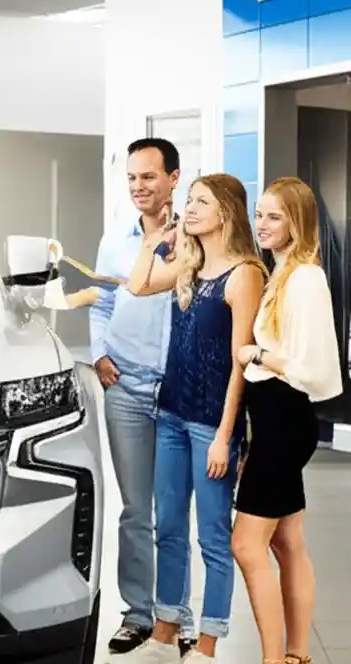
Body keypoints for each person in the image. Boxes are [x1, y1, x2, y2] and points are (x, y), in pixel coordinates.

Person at [118, 173, 266, 664]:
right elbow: (138, 285)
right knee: (170, 529)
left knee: (213, 537)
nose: (191, 209)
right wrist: (153, 242)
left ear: (225, 212)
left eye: (201, 202)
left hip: (209, 423)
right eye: (190, 202)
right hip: (171, 415)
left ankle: (206, 646)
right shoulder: (190, 262)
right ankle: (164, 635)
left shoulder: (245, 273)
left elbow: (240, 365)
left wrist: (226, 436)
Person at [231, 177, 341, 664]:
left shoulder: (305, 278)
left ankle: (273, 659)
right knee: (287, 542)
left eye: (274, 216)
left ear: (298, 222)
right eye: (259, 215)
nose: (263, 225)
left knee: (246, 543)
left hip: (285, 422)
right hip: (275, 421)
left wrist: (255, 353)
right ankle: (297, 655)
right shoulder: (281, 274)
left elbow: (308, 365)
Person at [88, 138, 190, 655]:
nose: (138, 187)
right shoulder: (115, 241)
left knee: (173, 509)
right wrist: (99, 355)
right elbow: (100, 304)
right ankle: (137, 614)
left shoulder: (195, 238)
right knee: (135, 509)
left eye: (148, 176)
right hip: (124, 384)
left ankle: (177, 614)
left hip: (176, 391)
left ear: (174, 177)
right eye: (131, 178)